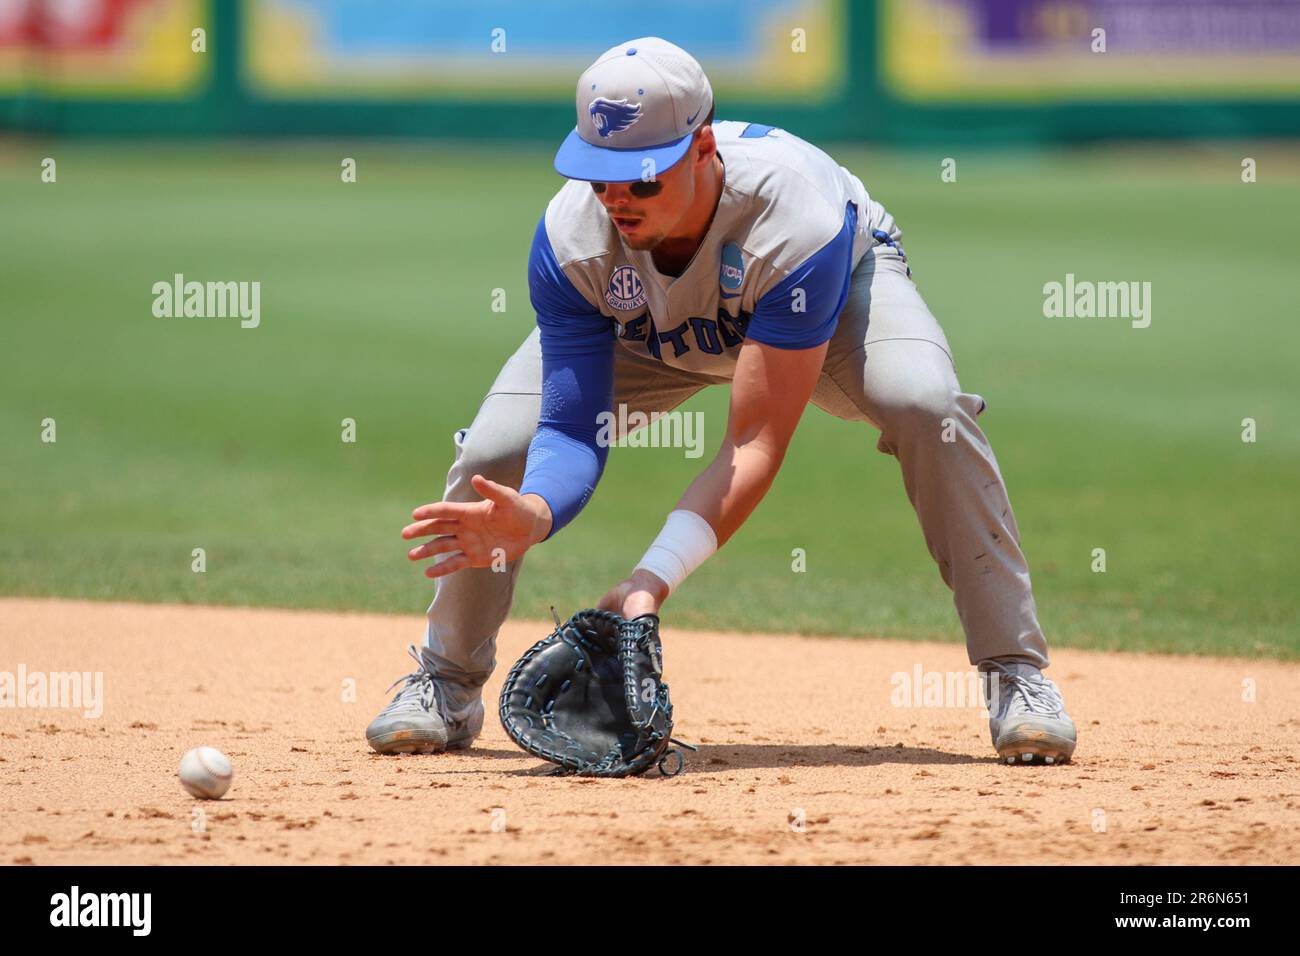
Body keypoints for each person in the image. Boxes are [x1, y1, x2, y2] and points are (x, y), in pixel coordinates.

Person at [366, 37, 1077, 766]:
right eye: (599, 176)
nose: (617, 199)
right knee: (494, 452)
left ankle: (1016, 675)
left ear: (701, 147)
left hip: (823, 307)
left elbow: (755, 443)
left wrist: (650, 579)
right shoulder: (572, 238)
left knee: (928, 407)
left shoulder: (793, 215)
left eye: (641, 179)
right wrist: (537, 512)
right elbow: (572, 426)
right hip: (644, 328)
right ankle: (445, 683)